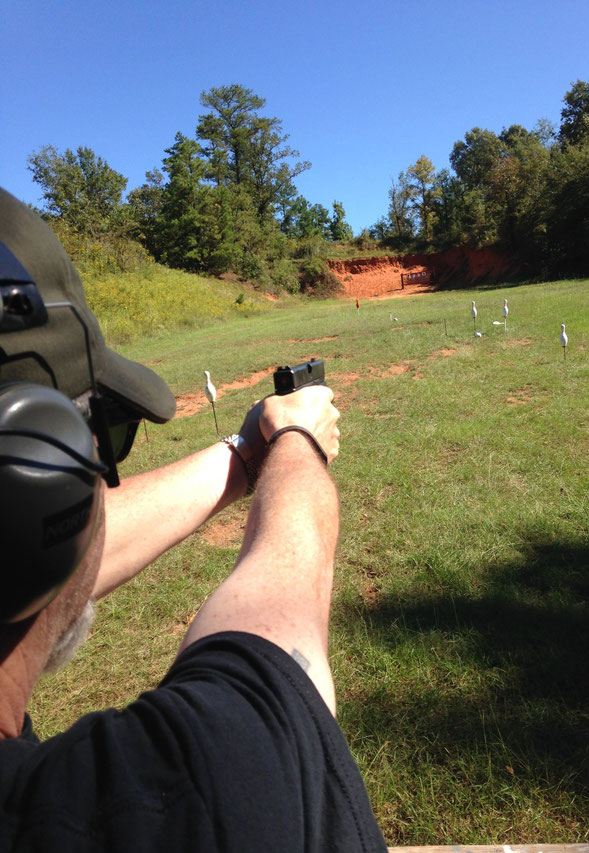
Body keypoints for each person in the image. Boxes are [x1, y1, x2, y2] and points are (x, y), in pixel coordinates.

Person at [0, 188, 387, 851]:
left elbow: (65, 539)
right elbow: (272, 645)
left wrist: (243, 456)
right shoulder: (177, 796)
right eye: (108, 433)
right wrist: (299, 442)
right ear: (39, 475)